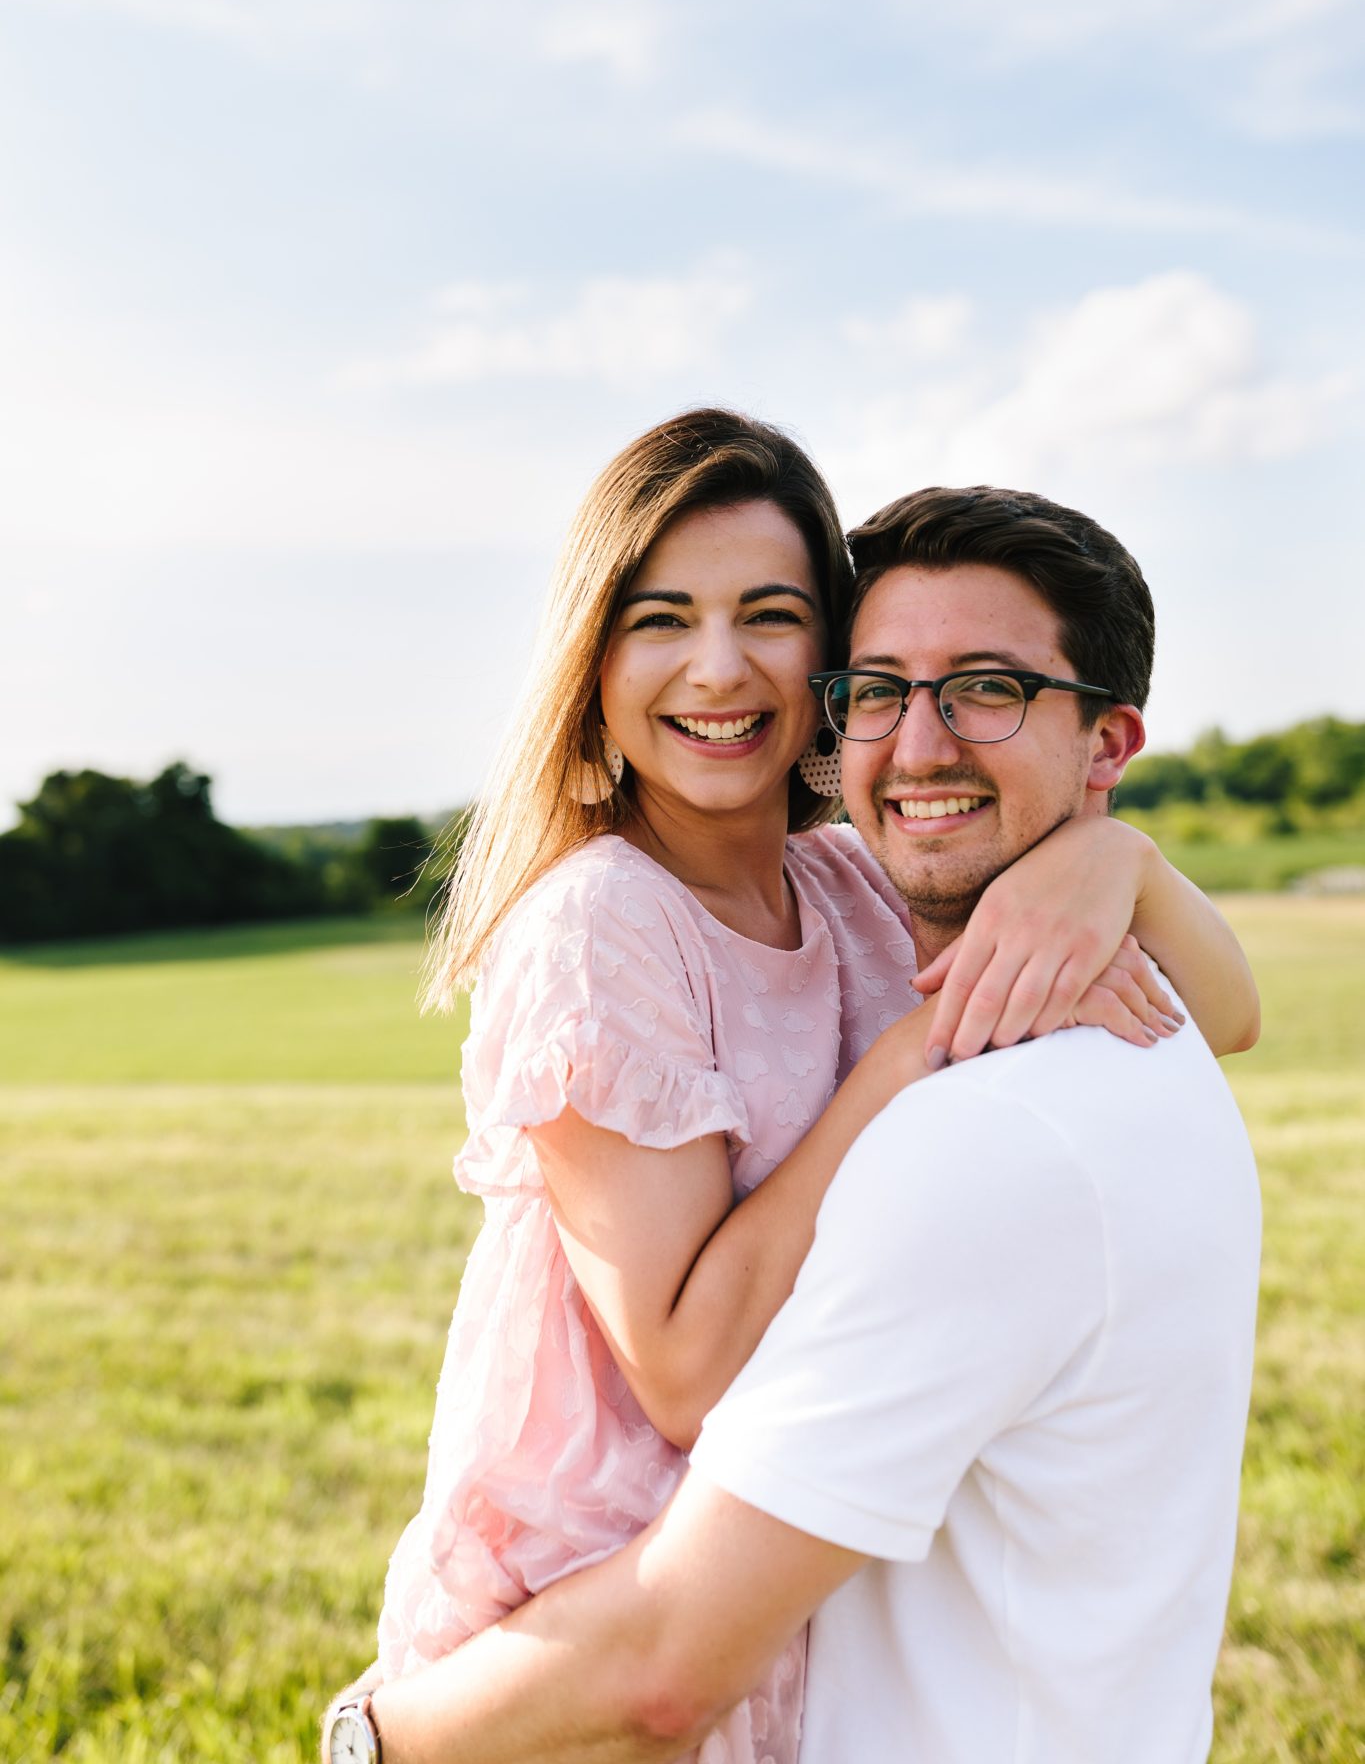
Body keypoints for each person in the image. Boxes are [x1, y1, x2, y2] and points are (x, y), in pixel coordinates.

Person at [326, 431, 1259, 1764]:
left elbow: (1223, 1015)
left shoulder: (849, 881)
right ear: (592, 670)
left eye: (770, 616)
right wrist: (911, 1052)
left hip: (765, 1584)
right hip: (596, 1611)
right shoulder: (602, 926)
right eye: (661, 621)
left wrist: (1118, 857)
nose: (719, 668)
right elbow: (686, 1376)